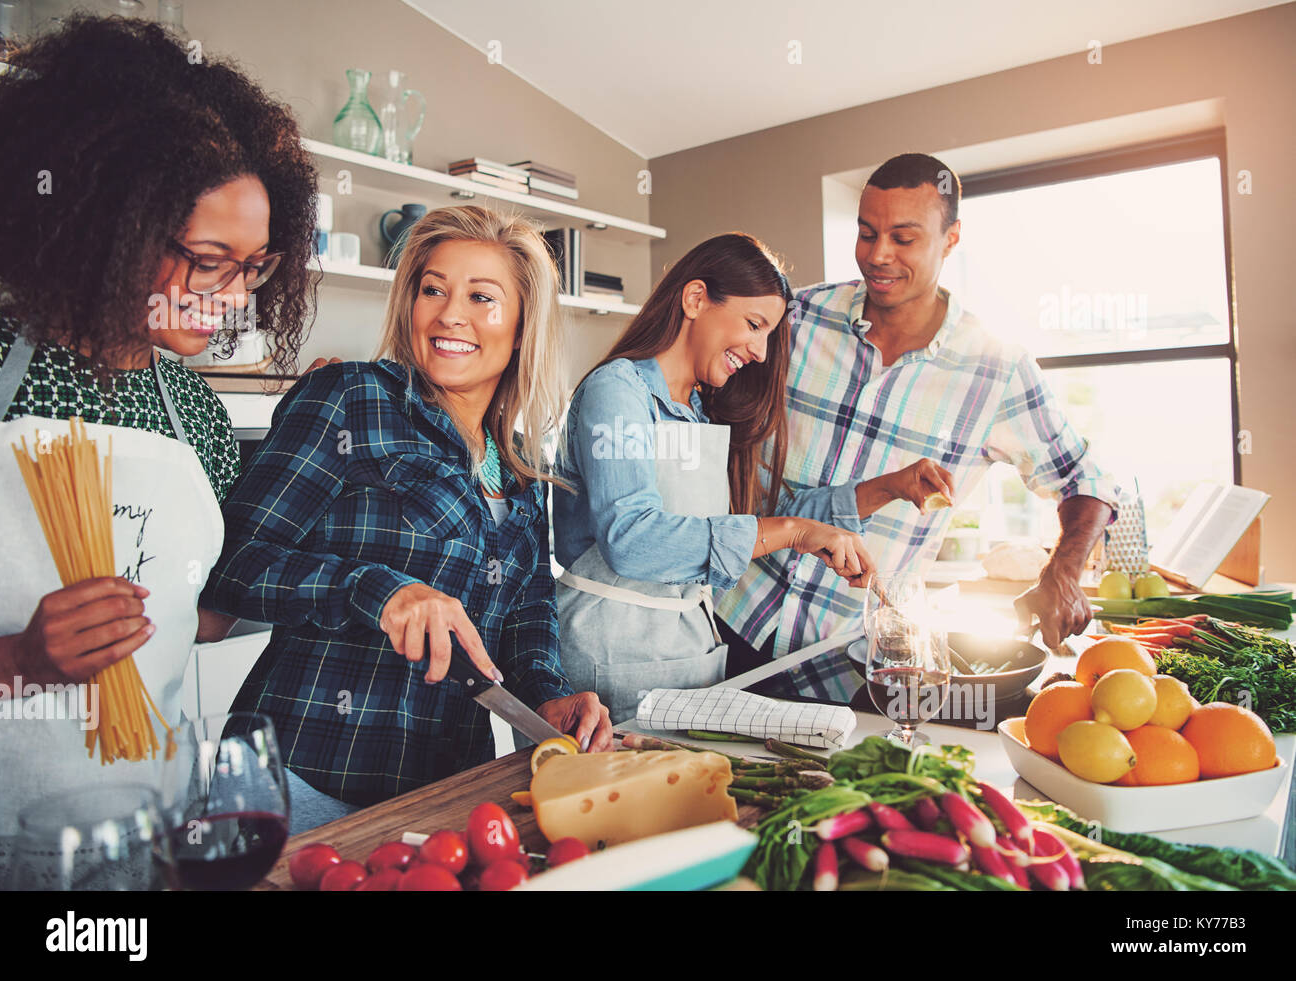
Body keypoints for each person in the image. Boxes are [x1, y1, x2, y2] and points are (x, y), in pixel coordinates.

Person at [0, 15, 316, 880]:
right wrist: (17, 661)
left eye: (254, 267)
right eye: (209, 258)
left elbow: (191, 619)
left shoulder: (196, 417)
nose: (233, 297)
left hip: (156, 836)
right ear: (112, 222)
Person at [202, 206, 613, 825]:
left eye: (482, 297)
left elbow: (528, 615)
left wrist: (549, 697)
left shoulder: (523, 461)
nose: (451, 314)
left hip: (445, 790)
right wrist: (377, 591)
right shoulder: (349, 398)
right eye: (433, 290)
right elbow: (233, 566)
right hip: (301, 778)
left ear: (525, 325)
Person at [717, 153, 1121, 701]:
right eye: (866, 233)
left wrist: (1063, 573)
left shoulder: (996, 369)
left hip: (849, 664)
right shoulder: (797, 319)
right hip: (726, 622)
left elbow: (1086, 480)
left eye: (903, 238)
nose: (878, 255)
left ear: (951, 238)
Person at [554, 233, 940, 723]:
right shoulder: (617, 392)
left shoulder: (696, 411)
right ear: (695, 299)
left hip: (687, 657)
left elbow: (757, 522)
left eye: (767, 335)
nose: (760, 351)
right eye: (754, 325)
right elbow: (630, 538)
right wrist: (794, 533)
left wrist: (885, 489)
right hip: (610, 661)